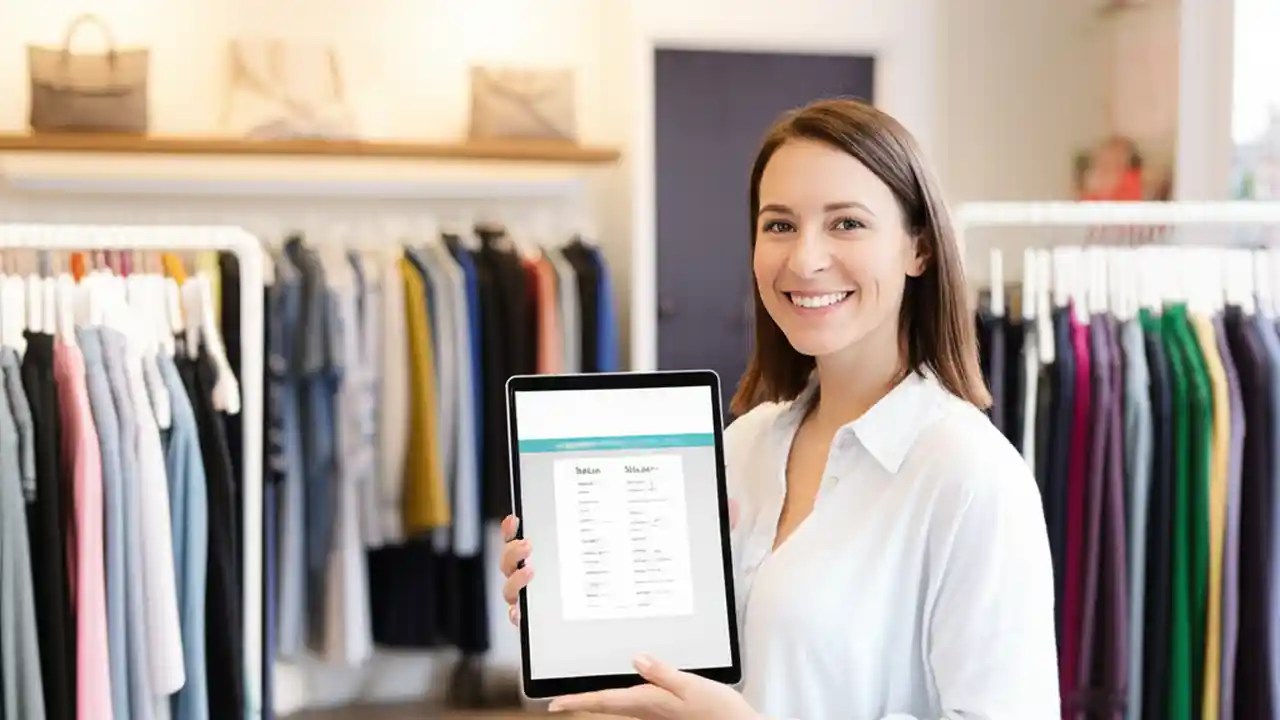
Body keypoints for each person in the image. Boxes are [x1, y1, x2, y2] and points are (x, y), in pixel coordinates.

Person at [498, 98, 1060, 719]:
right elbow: (685, 675)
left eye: (846, 223)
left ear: (917, 249)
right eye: (779, 225)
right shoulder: (745, 445)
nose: (804, 260)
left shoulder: (970, 476)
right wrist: (578, 614)